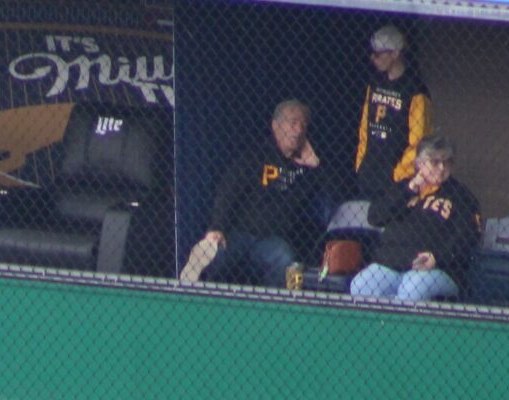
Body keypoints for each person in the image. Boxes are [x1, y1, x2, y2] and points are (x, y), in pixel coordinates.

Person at [182, 100, 335, 289]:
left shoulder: (308, 169)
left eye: (303, 125)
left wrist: (316, 165)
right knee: (212, 252)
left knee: (284, 258)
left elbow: (333, 194)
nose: (298, 130)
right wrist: (217, 228)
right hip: (239, 235)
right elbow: (228, 192)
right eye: (293, 123)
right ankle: (191, 293)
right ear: (276, 126)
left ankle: (271, 310)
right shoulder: (256, 156)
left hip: (271, 239)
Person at [348, 136, 478, 302]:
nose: (442, 167)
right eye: (435, 162)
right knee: (361, 285)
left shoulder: (460, 196)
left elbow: (468, 237)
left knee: (411, 286)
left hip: (437, 269)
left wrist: (437, 257)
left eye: (447, 162)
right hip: (391, 265)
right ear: (420, 163)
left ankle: (399, 328)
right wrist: (409, 190)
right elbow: (375, 216)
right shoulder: (403, 187)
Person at [355, 23, 429, 191]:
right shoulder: (375, 83)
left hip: (397, 176)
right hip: (370, 171)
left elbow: (418, 140)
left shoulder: (414, 89)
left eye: (378, 54)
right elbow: (364, 126)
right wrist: (361, 164)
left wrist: (399, 174)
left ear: (395, 53)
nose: (373, 58)